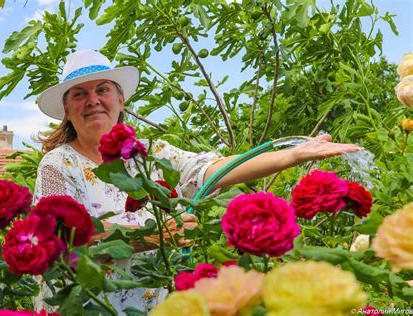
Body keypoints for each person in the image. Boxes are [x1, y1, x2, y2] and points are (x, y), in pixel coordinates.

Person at [33, 49, 360, 312]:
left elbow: (210, 169)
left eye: (102, 89)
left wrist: (293, 154)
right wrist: (150, 236)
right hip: (86, 306)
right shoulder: (58, 165)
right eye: (79, 94)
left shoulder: (149, 152)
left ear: (121, 101)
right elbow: (61, 243)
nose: (92, 100)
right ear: (66, 110)